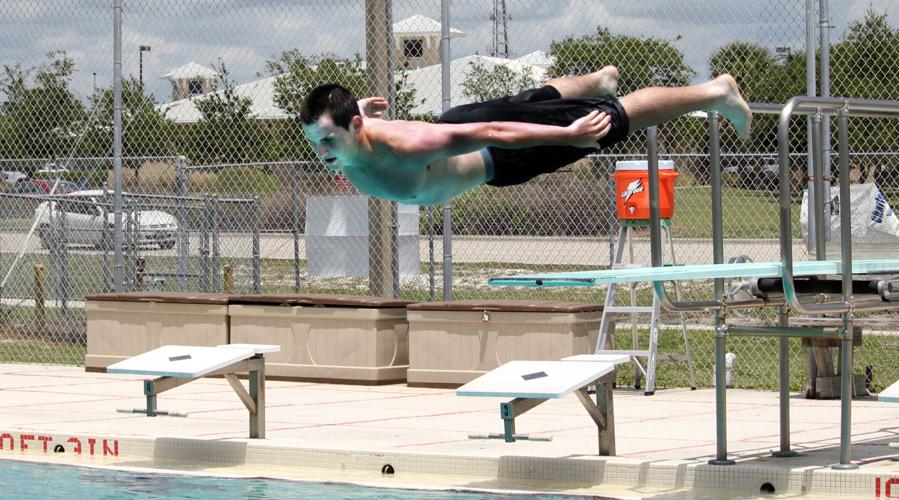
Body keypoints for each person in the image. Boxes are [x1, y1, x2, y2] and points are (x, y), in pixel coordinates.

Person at [300, 66, 751, 205]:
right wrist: (356, 108)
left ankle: (713, 92)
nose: (321, 154)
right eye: (316, 142)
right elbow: (342, 124)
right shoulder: (351, 139)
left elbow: (493, 131)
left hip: (497, 154)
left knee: (611, 120)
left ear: (355, 129)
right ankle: (596, 79)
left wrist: (567, 136)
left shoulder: (409, 148)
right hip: (460, 123)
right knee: (531, 100)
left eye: (328, 141)